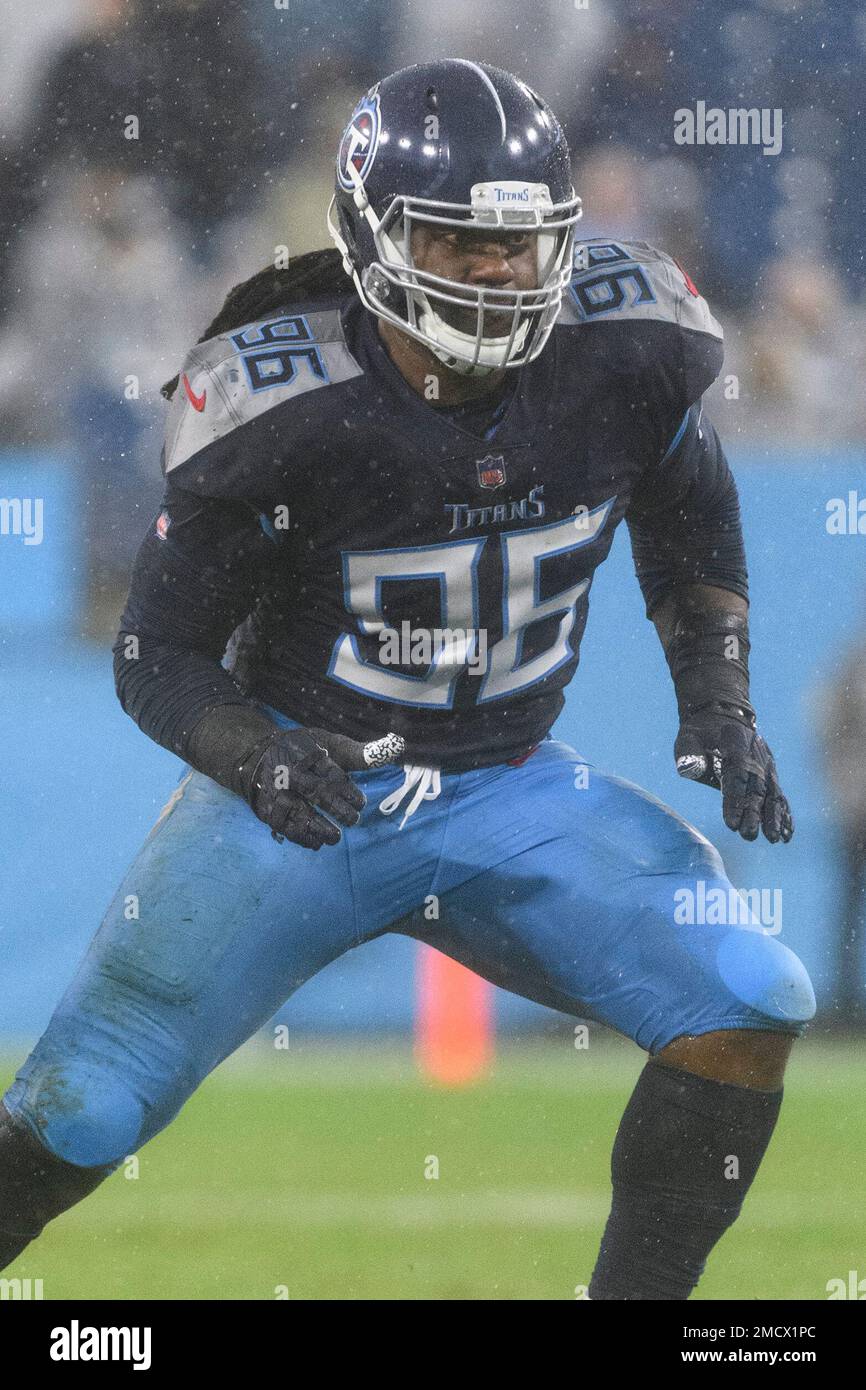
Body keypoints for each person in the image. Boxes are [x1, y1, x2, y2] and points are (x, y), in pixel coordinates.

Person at [0, 60, 815, 1300]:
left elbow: (689, 504)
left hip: (510, 788)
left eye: (518, 243)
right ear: (374, 234)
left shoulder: (626, 345)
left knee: (749, 994)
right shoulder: (281, 400)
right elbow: (150, 652)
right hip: (299, 797)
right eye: (454, 239)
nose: (494, 273)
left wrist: (716, 695)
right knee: (81, 1111)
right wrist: (254, 755)